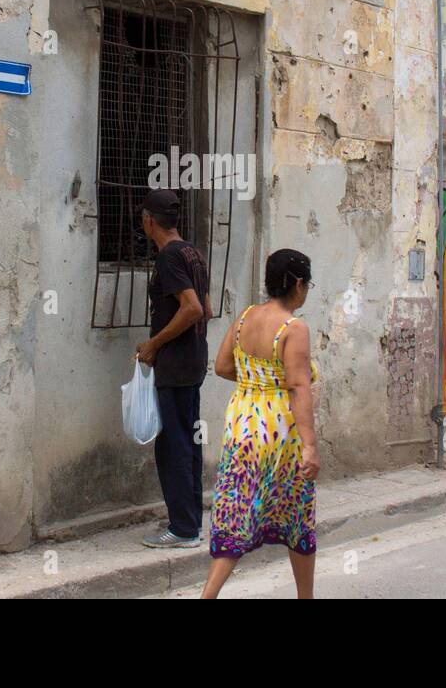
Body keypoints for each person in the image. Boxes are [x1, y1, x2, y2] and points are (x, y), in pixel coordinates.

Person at [202, 248, 319, 598]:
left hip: (242, 425)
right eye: (307, 283)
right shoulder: (293, 328)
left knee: (237, 513)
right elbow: (298, 387)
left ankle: (207, 595)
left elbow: (222, 366)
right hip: (279, 431)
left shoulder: (246, 317)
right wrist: (310, 446)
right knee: (297, 514)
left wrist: (256, 380)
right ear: (298, 284)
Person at [135, 189, 212, 548]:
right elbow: (207, 309)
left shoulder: (169, 257)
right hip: (193, 360)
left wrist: (155, 343)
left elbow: (194, 308)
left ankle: (182, 529)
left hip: (176, 365)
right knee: (188, 442)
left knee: (173, 446)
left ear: (150, 220)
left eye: (142, 217)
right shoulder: (194, 253)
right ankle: (190, 523)